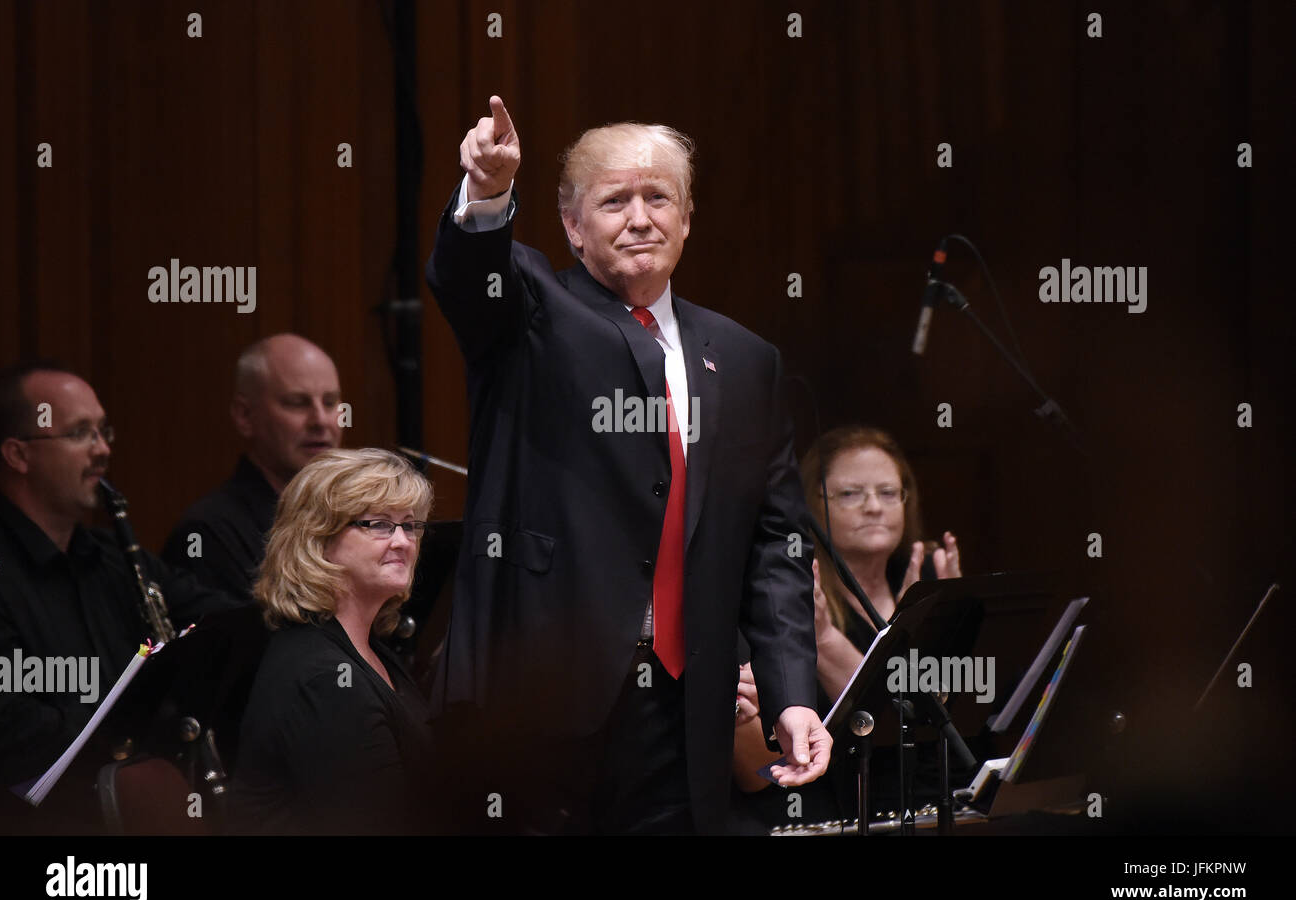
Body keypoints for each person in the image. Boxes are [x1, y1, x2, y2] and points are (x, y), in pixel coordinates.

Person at [424, 96, 830, 834]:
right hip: (542, 704)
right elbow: (466, 278)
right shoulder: (529, 313)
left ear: (687, 216)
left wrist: (792, 693)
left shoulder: (743, 359)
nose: (640, 218)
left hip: (687, 708)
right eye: (614, 201)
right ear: (573, 226)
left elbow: (777, 543)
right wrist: (486, 192)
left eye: (658, 198)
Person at [0, 361, 235, 829]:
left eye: (104, 431)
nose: (103, 450)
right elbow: (8, 721)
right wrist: (127, 736)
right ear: (18, 455)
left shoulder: (110, 554)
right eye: (81, 433)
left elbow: (216, 614)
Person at [732, 425, 962, 828]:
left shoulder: (926, 579)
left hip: (926, 807)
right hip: (821, 813)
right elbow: (756, 774)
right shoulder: (782, 604)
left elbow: (949, 724)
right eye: (851, 494)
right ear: (810, 506)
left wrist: (947, 627)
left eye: (888, 493)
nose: (873, 506)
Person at [228, 448, 434, 835]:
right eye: (379, 524)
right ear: (317, 538)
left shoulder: (369, 652)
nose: (404, 541)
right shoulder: (324, 678)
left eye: (411, 525)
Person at [162, 334, 343, 602]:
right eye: (297, 403)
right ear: (245, 416)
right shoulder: (206, 533)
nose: (320, 420)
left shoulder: (353, 518)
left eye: (330, 403)